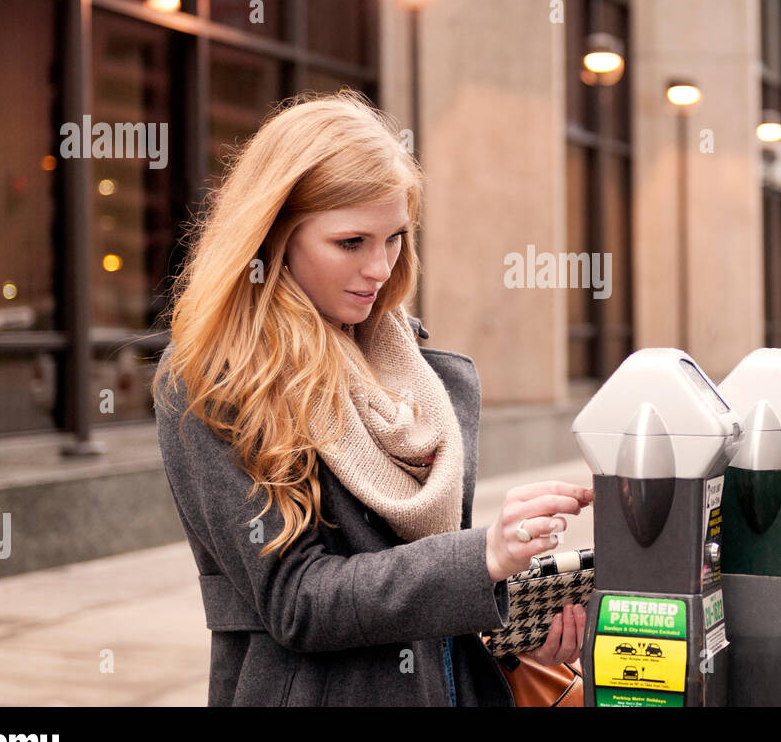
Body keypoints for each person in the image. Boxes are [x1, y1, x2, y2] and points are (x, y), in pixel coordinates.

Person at [151, 90, 593, 706]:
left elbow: (418, 580)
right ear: (273, 235)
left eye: (394, 239)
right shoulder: (214, 379)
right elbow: (297, 601)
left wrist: (512, 620)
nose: (381, 267)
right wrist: (481, 555)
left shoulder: (409, 371)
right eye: (351, 242)